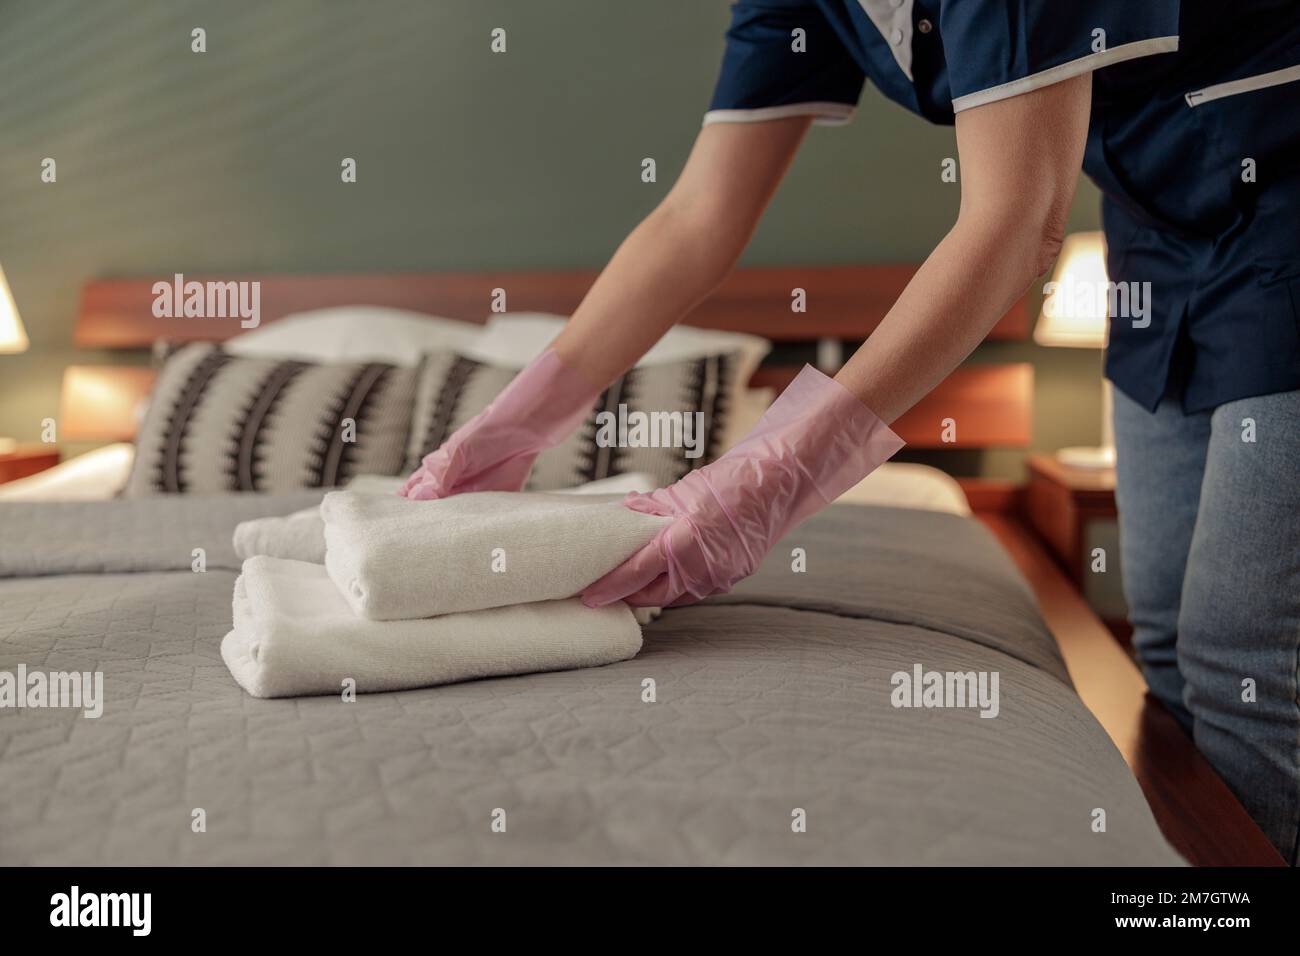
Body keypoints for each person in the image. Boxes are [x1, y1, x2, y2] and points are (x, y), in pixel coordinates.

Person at [402, 2, 1300, 863]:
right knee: (1168, 648)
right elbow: (697, 217)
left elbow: (1015, 223)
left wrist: (779, 473)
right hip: (1163, 237)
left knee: (1240, 661)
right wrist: (514, 424)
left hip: (1287, 200)